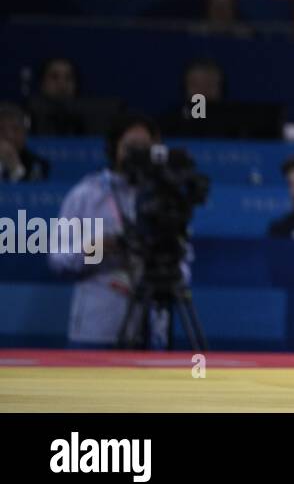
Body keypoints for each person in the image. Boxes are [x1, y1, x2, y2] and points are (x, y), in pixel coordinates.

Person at [48, 114, 191, 348]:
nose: (136, 155)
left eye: (144, 148)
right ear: (113, 148)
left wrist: (165, 267)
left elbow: (184, 264)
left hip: (152, 329)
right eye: (130, 148)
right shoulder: (85, 195)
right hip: (98, 329)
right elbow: (57, 259)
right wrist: (94, 250)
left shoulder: (165, 197)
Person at [0, 101, 51, 182]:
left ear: (25, 133)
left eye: (16, 129)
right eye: (2, 129)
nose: (10, 136)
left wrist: (16, 168)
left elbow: (32, 191)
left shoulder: (38, 164)